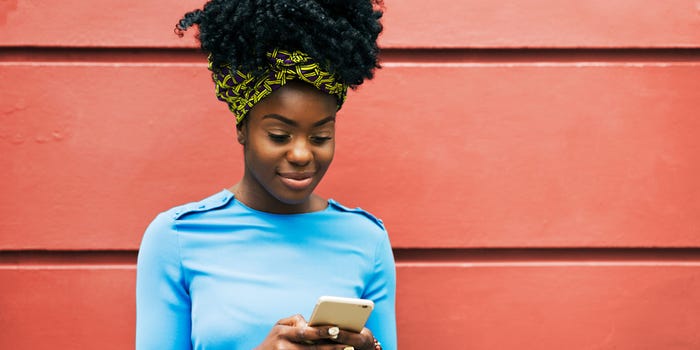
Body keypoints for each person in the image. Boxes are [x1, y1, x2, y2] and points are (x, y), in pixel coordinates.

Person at [135, 1, 396, 349]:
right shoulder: (176, 238)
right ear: (242, 129)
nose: (302, 154)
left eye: (321, 137)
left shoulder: (368, 239)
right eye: (279, 136)